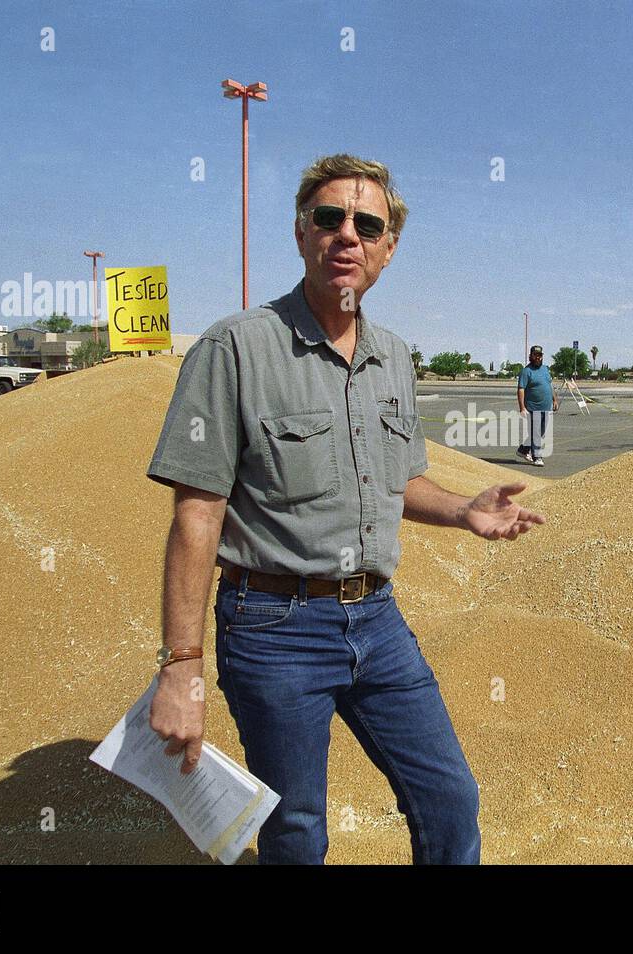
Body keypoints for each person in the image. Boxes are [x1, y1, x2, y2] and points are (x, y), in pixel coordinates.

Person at [145, 153, 545, 864]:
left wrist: (463, 510)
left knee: (451, 798)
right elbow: (197, 515)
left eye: (369, 224)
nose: (348, 235)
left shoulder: (393, 356)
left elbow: (396, 481)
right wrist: (182, 666)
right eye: (329, 219)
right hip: (273, 628)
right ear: (301, 234)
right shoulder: (235, 348)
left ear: (389, 250)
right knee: (297, 829)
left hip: (378, 620)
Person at [516, 345, 557, 466]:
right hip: (533, 408)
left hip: (546, 407)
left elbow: (549, 385)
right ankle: (537, 456)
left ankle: (523, 450)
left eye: (540, 355)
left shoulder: (545, 369)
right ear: (531, 356)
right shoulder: (526, 371)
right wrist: (522, 407)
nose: (538, 357)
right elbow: (521, 389)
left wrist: (555, 400)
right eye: (535, 355)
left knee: (541, 432)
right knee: (536, 433)